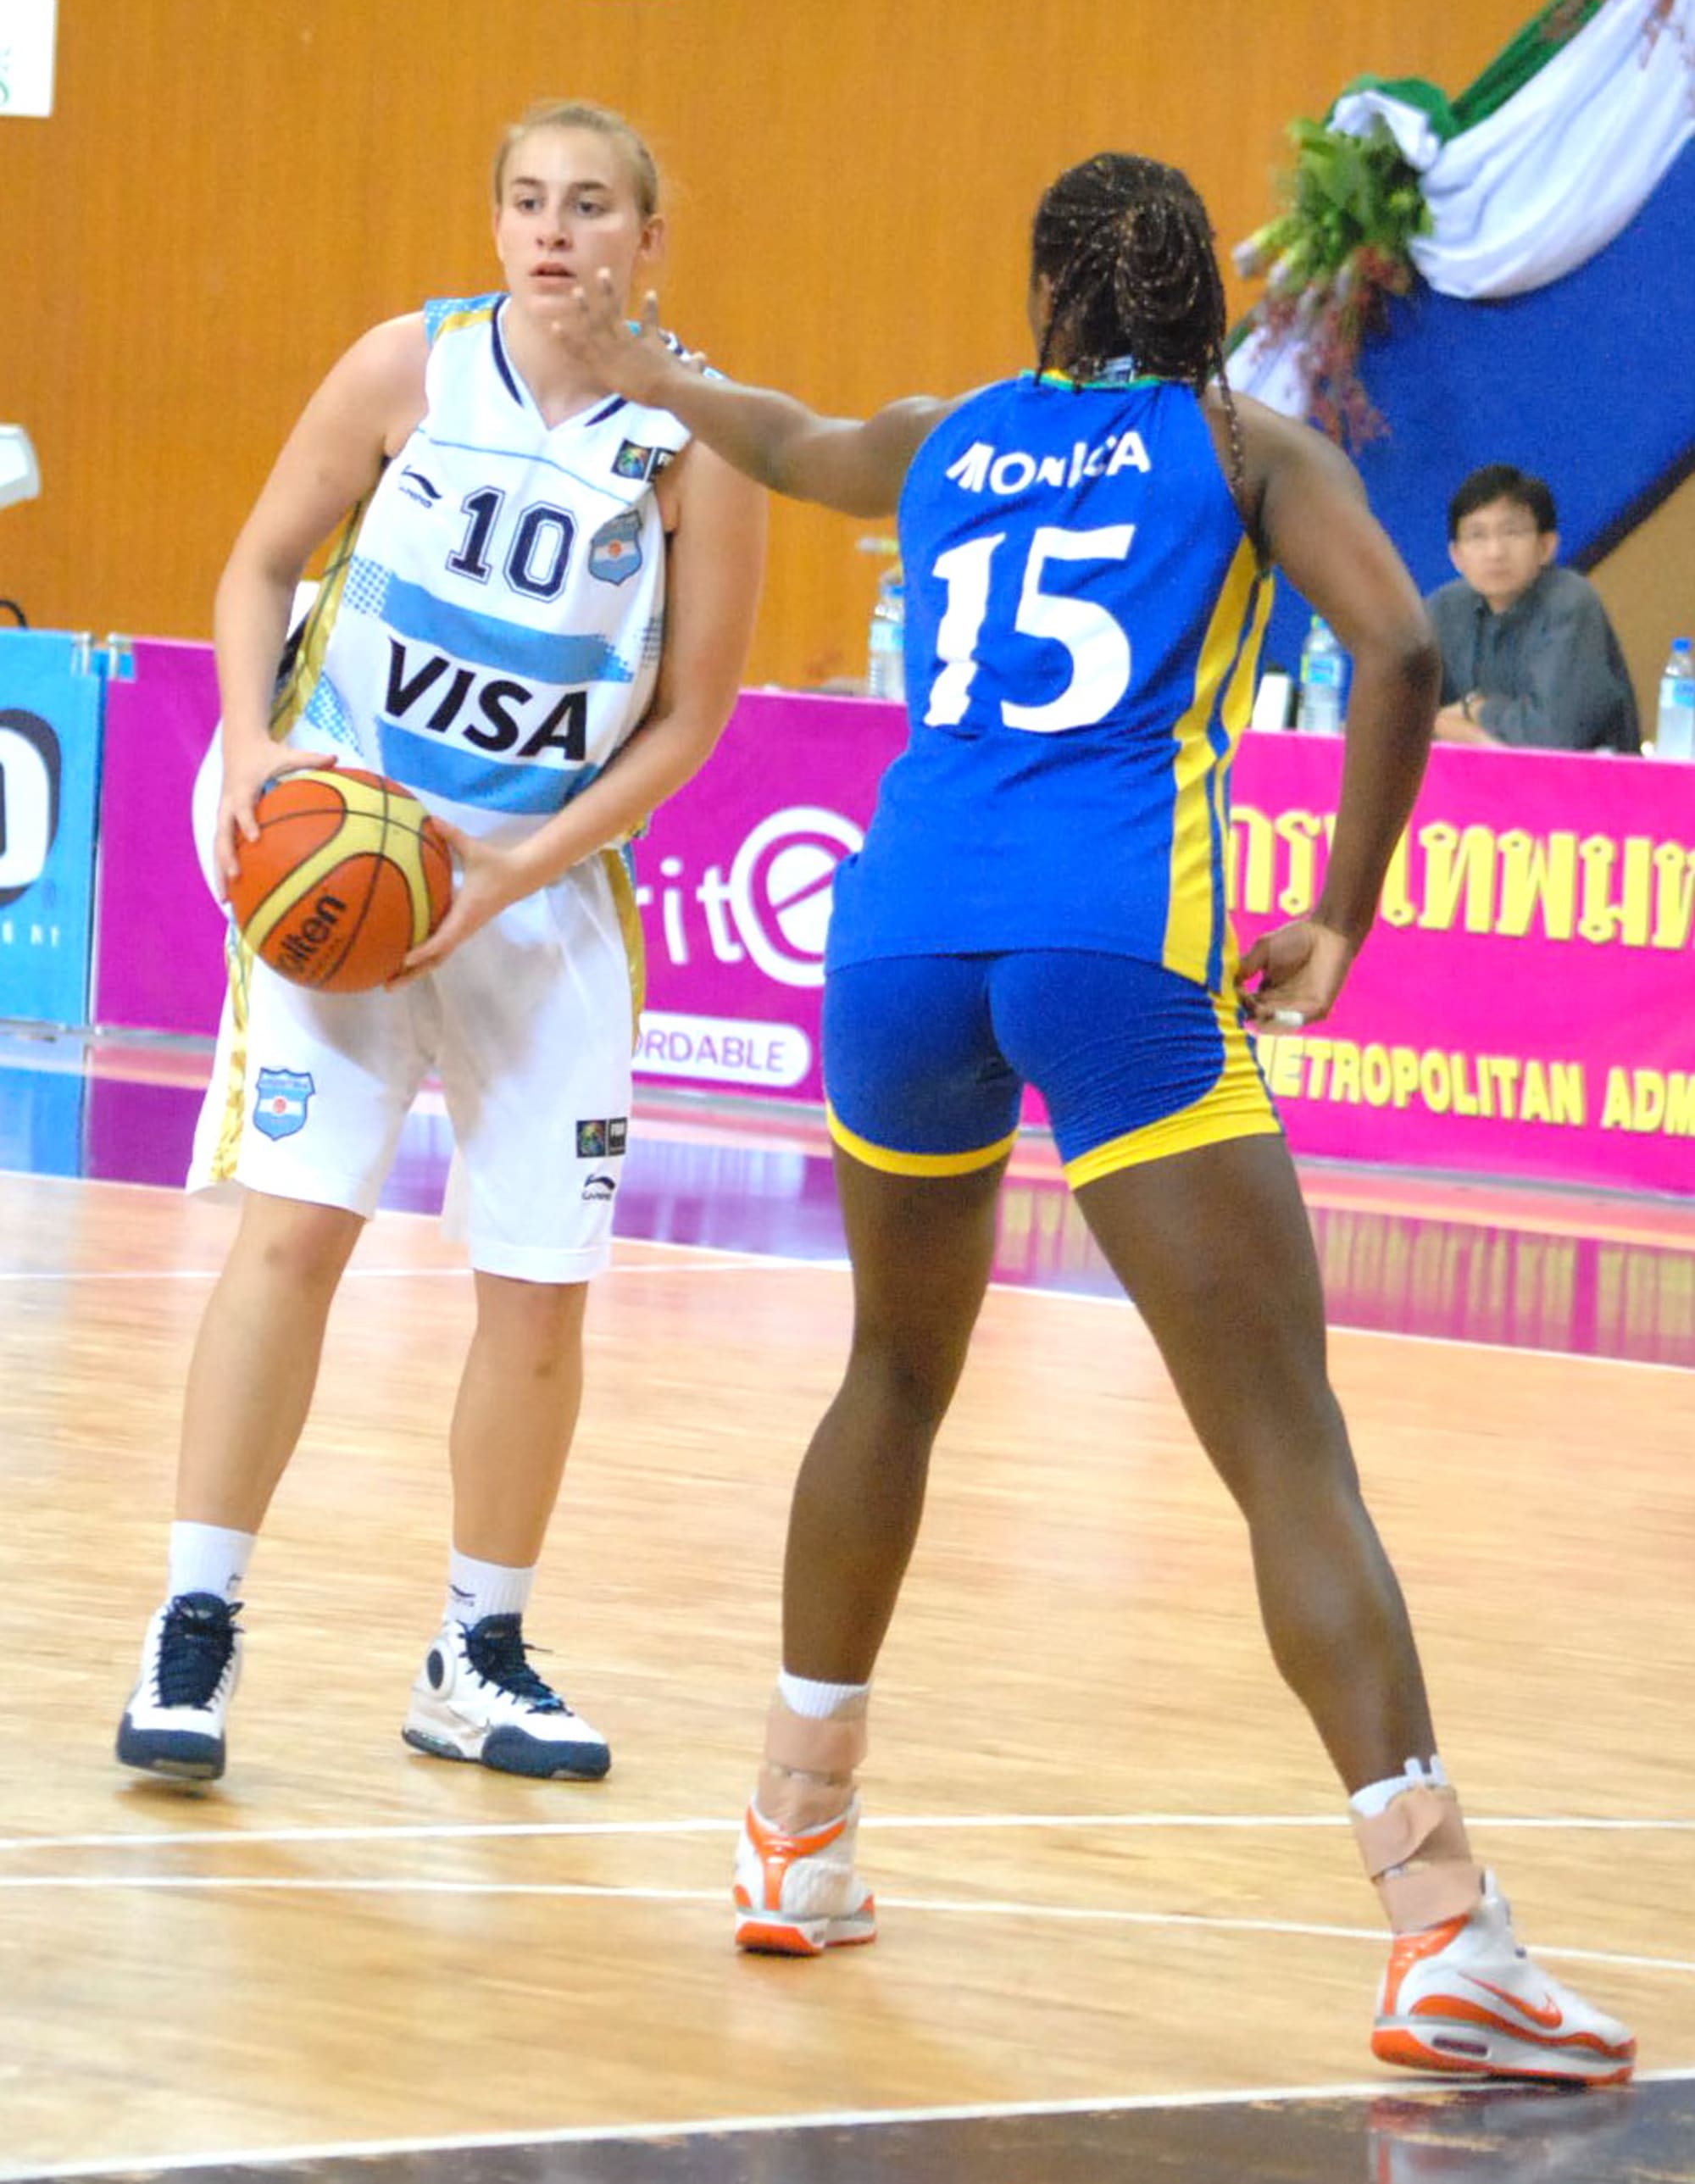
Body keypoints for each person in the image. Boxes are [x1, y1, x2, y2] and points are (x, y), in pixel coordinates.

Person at [554, 153, 1635, 2083]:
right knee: (1281, 1442)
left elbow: (783, 434)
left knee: (888, 1372)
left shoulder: (948, 435)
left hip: (892, 931)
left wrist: (643, 359)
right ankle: (1439, 1927)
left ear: (1040, 290)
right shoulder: (1242, 446)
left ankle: (793, 1836)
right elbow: (1392, 650)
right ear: (1190, 295)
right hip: (1105, 927)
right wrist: (1336, 918)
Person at [115, 100, 765, 1786]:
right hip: (348, 842)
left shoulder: (694, 438)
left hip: (528, 892)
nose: (559, 231)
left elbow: (686, 725)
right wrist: (259, 763)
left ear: (647, 239)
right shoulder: (405, 369)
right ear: (496, 227)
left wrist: (515, 868)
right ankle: (194, 1625)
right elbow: (259, 568)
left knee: (541, 1294)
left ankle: (476, 1650)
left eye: (595, 206)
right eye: (531, 203)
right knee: (294, 1239)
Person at [1425, 464, 1639, 752]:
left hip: (1580, 791)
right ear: (1456, 556)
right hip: (1470, 789)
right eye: (1477, 536)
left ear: (1546, 546)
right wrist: (1463, 730)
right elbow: (1403, 721)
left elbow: (1550, 738)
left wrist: (1472, 712)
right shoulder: (1444, 609)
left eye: (1511, 532)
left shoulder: (1570, 602)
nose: (1495, 552)